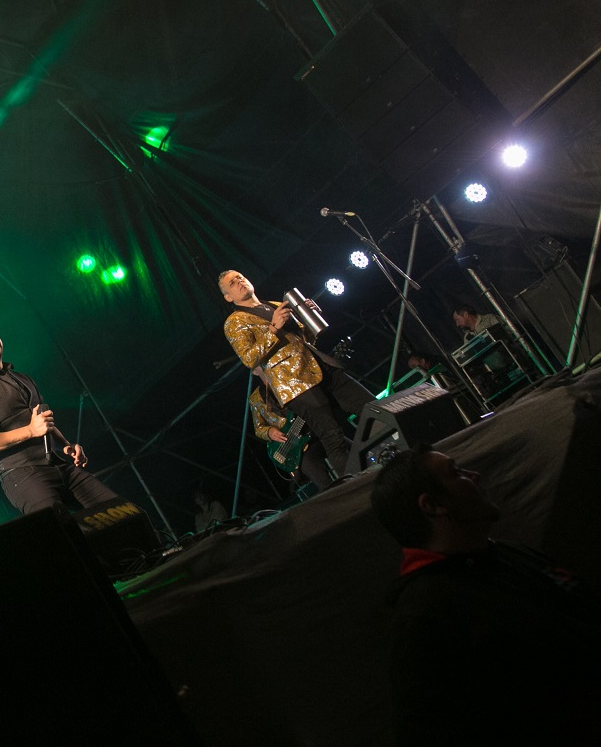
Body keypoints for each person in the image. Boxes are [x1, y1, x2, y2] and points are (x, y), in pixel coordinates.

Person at [369, 446, 600, 746]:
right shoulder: (423, 618)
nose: (473, 475)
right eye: (457, 473)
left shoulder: (506, 553)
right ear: (433, 505)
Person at [218, 270, 373, 478]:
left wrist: (310, 317)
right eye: (232, 283)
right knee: (332, 436)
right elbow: (248, 358)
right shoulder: (234, 322)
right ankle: (359, 488)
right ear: (228, 297)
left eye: (240, 277)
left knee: (373, 408)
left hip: (320, 367)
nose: (239, 281)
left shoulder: (273, 304)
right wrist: (273, 329)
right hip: (295, 385)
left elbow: (302, 340)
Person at [0, 321, 119, 515]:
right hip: (22, 473)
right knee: (61, 533)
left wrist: (65, 445)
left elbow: (43, 422)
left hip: (59, 464)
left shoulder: (23, 378)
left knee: (120, 512)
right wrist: (30, 430)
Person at [248, 367, 332, 489]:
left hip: (317, 430)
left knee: (355, 455)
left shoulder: (289, 377)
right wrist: (269, 432)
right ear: (255, 372)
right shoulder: (256, 398)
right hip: (297, 447)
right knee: (323, 482)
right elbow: (258, 428)